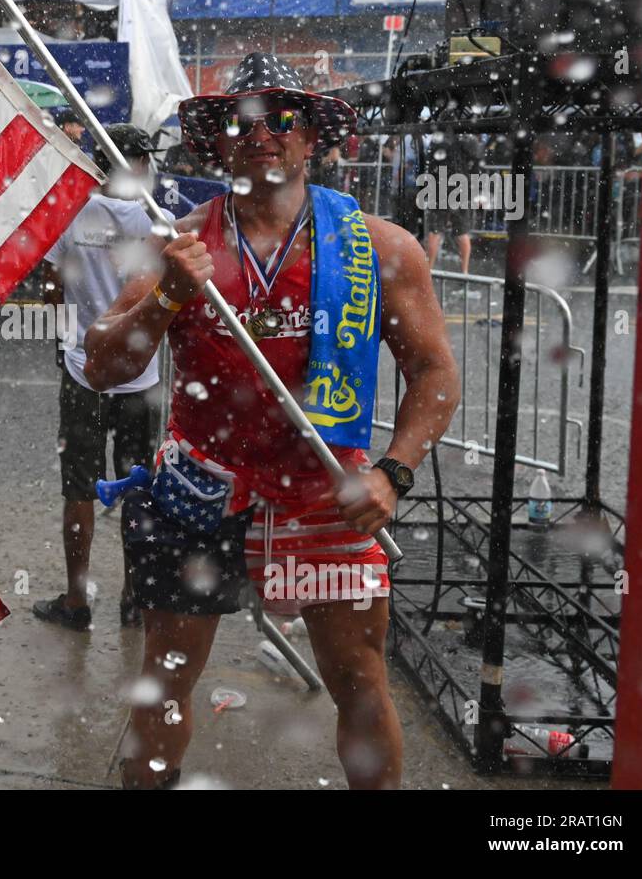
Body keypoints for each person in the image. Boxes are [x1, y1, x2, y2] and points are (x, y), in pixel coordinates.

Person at [83, 53, 460, 789]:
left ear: (313, 137)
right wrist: (167, 295)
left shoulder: (378, 246)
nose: (262, 134)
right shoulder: (179, 243)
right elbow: (102, 365)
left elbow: (436, 373)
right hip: (200, 490)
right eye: (241, 121)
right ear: (218, 143)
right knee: (163, 685)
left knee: (358, 680)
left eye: (283, 119)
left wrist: (394, 471)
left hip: (326, 491)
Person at [33, 124, 169, 632]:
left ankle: (76, 598)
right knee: (138, 487)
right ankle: (134, 599)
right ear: (138, 164)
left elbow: (50, 289)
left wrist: (86, 308)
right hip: (142, 378)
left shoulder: (71, 213)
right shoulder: (161, 223)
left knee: (79, 488)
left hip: (83, 373)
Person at [426, 133, 480, 275]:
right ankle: (464, 272)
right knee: (461, 232)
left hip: (440, 186)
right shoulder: (468, 140)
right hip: (461, 188)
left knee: (435, 231)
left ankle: (428, 270)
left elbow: (431, 165)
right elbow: (476, 166)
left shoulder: (439, 140)